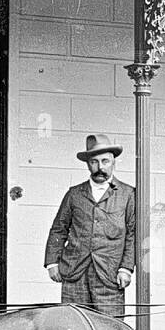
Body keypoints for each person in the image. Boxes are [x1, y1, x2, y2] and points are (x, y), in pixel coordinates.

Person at [44, 134, 136, 319]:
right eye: (94, 162)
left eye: (105, 161)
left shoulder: (128, 195)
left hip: (109, 275)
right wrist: (52, 262)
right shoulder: (74, 194)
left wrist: (126, 268)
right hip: (75, 273)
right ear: (87, 164)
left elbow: (133, 234)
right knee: (74, 327)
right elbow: (58, 229)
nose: (100, 167)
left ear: (113, 162)